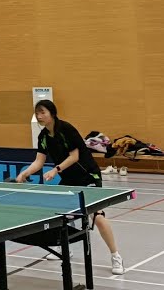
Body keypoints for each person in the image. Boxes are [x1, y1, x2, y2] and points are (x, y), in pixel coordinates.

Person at [15, 99, 124, 276]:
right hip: (69, 178)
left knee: (96, 216)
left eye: (43, 112)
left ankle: (115, 255)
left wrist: (55, 170)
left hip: (88, 176)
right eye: (37, 113)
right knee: (56, 213)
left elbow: (74, 157)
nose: (39, 116)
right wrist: (25, 173)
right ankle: (64, 249)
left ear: (52, 113)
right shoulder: (43, 137)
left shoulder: (66, 129)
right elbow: (39, 161)